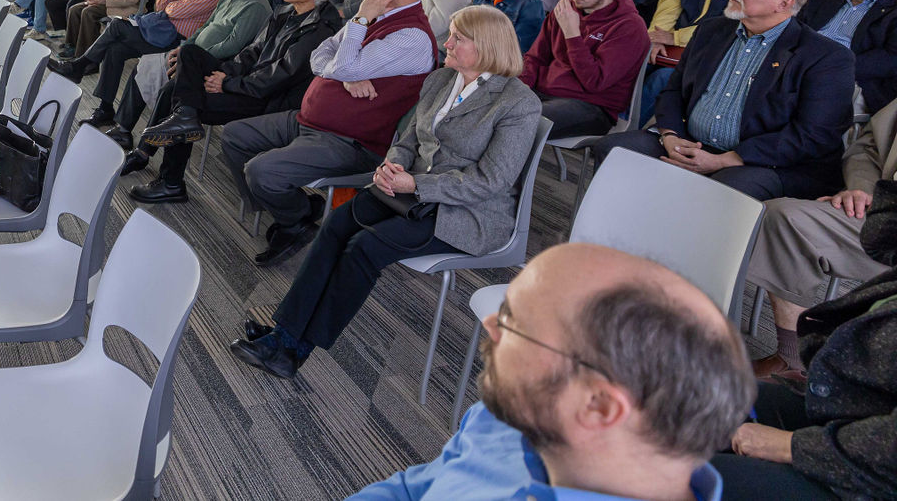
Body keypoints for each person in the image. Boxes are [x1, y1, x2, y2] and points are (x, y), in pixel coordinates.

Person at [229, 4, 541, 379]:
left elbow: (492, 181)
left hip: (464, 213)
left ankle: (294, 348)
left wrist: (416, 184)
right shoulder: (440, 81)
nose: (447, 42)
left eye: (459, 38)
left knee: (364, 247)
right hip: (408, 194)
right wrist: (392, 165)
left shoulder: (518, 102)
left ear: (487, 46)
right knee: (336, 226)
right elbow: (406, 140)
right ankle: (285, 333)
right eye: (451, 33)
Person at [342, 243, 752, 501]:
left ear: (597, 405)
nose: (489, 326)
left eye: (512, 322)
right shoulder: (512, 415)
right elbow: (418, 488)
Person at [221, 0, 437, 266]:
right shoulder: (376, 16)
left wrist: (357, 31)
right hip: (310, 120)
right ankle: (298, 212)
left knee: (262, 170)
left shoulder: (411, 36)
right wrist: (346, 73)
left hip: (349, 141)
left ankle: (292, 221)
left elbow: (342, 63)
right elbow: (318, 56)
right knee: (233, 135)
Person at [589, 0, 854, 202]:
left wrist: (726, 160)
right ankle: (615, 238)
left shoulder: (826, 57)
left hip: (765, 160)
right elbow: (673, 91)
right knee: (615, 150)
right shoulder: (712, 30)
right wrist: (670, 135)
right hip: (691, 141)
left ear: (784, 3)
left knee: (720, 193)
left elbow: (813, 135)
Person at [716, 178, 897, 499]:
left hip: (870, 471)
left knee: (690, 478)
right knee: (701, 401)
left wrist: (791, 447)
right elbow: (882, 232)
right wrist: (865, 189)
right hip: (856, 410)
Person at [125, 0, 343, 200]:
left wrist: (226, 83)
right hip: (248, 83)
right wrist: (225, 74)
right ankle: (173, 135)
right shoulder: (284, 13)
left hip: (269, 100)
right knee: (189, 55)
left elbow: (278, 77)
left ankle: (166, 175)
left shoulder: (320, 30)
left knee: (184, 98)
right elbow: (251, 53)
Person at [745, 97, 896, 384]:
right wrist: (862, 190)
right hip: (882, 208)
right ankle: (792, 359)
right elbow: (867, 145)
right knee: (783, 217)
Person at [102, 0, 273, 150]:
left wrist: (189, 57)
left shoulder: (255, 5)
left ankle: (142, 149)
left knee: (168, 88)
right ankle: (124, 129)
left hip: (215, 66)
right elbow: (206, 26)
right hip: (192, 54)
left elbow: (232, 45)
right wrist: (185, 48)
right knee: (146, 63)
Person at [48, 0, 227, 121]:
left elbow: (174, 11)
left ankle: (79, 66)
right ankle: (105, 109)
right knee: (114, 50)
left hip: (175, 41)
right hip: (159, 31)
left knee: (117, 25)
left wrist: (171, 6)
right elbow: (161, 6)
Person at [520, 0, 649, 139]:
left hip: (591, 105)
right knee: (489, 105)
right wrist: (519, 88)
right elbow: (535, 57)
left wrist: (572, 34)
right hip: (545, 92)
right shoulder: (565, 10)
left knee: (515, 122)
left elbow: (595, 82)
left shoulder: (629, 26)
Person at [798, 0, 897, 118]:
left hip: (851, 80)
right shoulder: (817, 0)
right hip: (798, 69)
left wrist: (830, 67)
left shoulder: (893, 12)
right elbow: (792, 34)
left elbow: (890, 59)